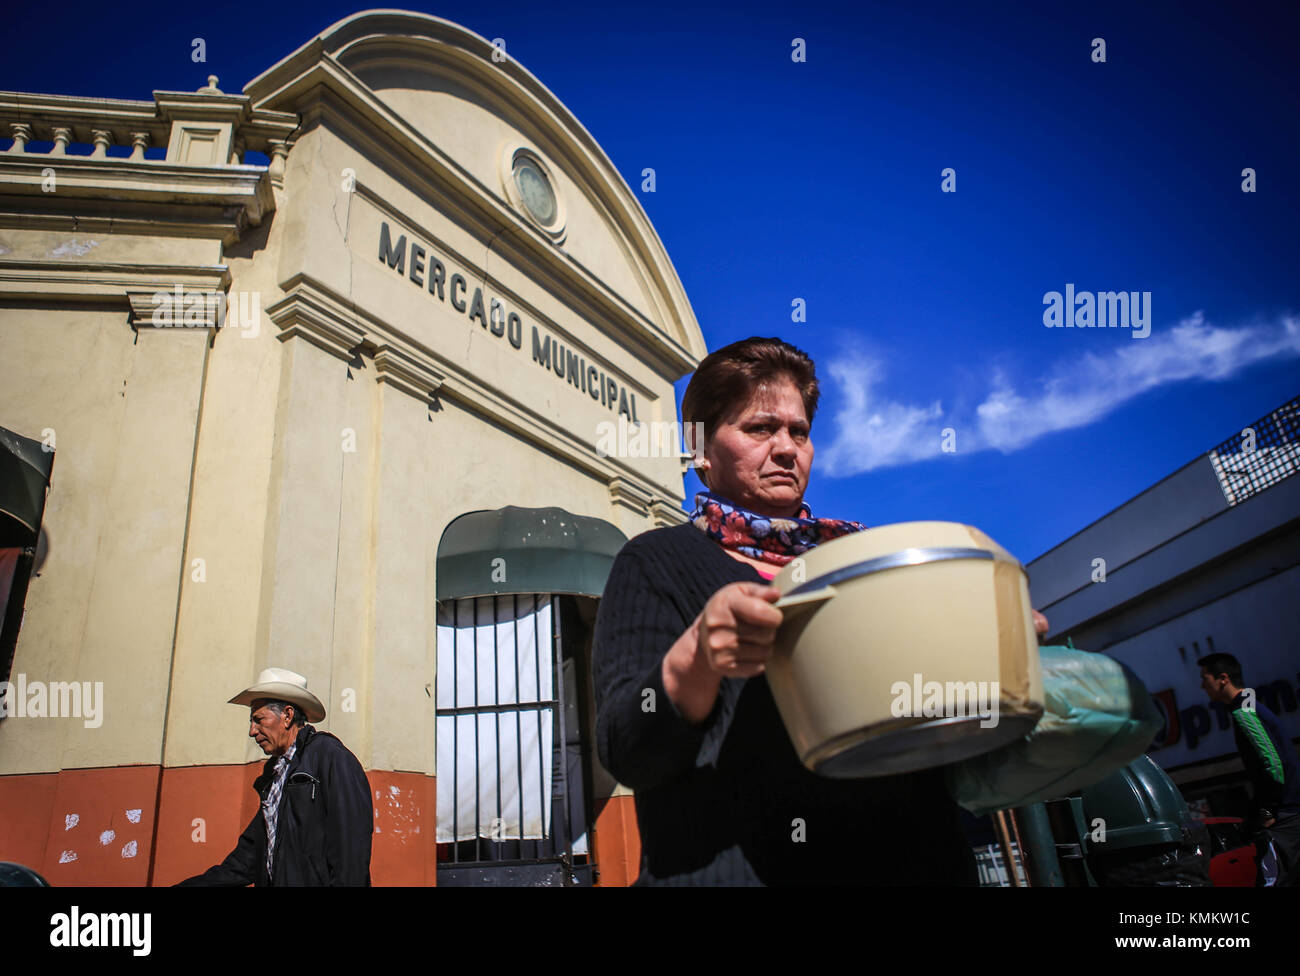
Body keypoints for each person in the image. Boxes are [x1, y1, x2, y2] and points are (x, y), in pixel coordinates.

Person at [592, 336, 1048, 885]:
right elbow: (626, 751)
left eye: (799, 431)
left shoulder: (867, 565)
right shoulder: (655, 562)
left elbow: (938, 728)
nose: (786, 447)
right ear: (700, 452)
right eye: (760, 428)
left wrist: (993, 652)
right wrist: (696, 660)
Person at [178, 667, 373, 886]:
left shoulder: (330, 757)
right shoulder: (274, 777)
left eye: (259, 719)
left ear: (287, 715)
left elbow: (351, 854)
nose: (252, 731)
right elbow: (244, 862)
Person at [1199, 652, 1300, 886]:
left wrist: (1267, 812)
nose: (1202, 685)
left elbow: (1272, 764)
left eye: (1205, 678)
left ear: (1223, 678)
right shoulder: (1250, 705)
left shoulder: (1244, 710)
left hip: (1284, 818)